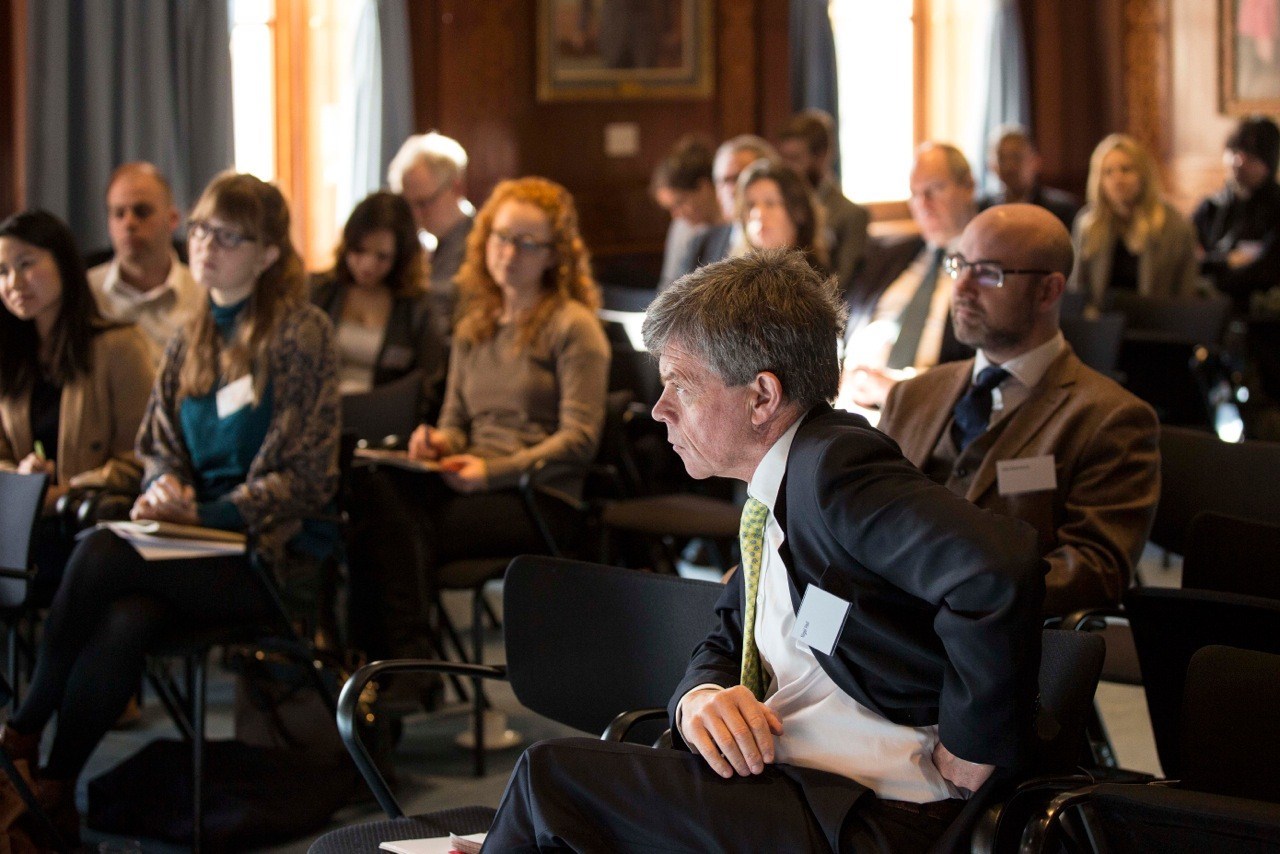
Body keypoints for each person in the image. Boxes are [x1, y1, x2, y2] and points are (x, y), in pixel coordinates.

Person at [481, 249, 1044, 853]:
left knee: (550, 782)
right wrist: (701, 700)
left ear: (761, 397)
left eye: (680, 385)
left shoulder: (832, 469)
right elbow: (728, 634)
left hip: (874, 809)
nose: (660, 410)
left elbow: (997, 567)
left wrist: (970, 749)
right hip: (792, 786)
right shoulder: (772, 490)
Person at [0, 173, 340, 845]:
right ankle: (54, 792)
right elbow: (157, 444)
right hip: (184, 551)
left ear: (269, 253)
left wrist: (205, 516)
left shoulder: (300, 333)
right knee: (125, 618)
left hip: (266, 554)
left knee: (101, 547)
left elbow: (306, 477)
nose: (206, 246)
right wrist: (163, 490)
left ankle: (18, 733)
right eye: (203, 230)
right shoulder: (191, 334)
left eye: (229, 236)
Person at [350, 177, 609, 670]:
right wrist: (437, 441)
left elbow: (580, 440)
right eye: (501, 237)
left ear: (553, 255)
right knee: (371, 497)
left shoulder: (573, 326)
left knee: (392, 532)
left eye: (526, 243)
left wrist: (492, 473)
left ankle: (400, 667)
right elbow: (455, 421)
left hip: (540, 496)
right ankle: (390, 667)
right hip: (467, 478)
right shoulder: (476, 322)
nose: (509, 252)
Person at [878, 204, 1159, 616]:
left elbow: (1095, 571)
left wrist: (960, 595)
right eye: (959, 265)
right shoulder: (912, 395)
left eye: (989, 272)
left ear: (1048, 290)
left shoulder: (1111, 419)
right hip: (875, 634)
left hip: (992, 647)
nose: (962, 288)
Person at [0, 209, 155, 588]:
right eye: (2, 271)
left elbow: (143, 459)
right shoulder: (8, 357)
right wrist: (21, 480)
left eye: (26, 264)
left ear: (65, 265)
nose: (14, 281)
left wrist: (62, 491)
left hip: (91, 526)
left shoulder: (120, 346)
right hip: (21, 525)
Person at [838, 142, 978, 413]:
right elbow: (842, 324)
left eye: (935, 189)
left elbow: (980, 370)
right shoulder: (888, 255)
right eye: (915, 194)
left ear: (968, 186)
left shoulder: (988, 266)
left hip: (930, 410)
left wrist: (898, 390)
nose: (923, 204)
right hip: (852, 401)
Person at [311, 191, 445, 423]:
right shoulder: (319, 292)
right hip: (320, 419)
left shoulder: (418, 309)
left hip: (386, 428)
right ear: (346, 245)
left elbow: (428, 386)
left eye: (382, 257)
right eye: (359, 251)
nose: (367, 265)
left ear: (400, 258)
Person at [86, 162, 201, 364]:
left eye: (142, 212)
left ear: (172, 219)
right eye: (119, 213)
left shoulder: (203, 294)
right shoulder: (84, 293)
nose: (129, 223)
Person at [1068, 133, 1200, 309]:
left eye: (1126, 169)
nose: (1118, 179)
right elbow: (1077, 289)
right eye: (1108, 172)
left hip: (1156, 324)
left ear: (1143, 174)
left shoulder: (1174, 224)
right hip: (1103, 325)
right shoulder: (1088, 224)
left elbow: (1186, 292)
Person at [387, 131, 475, 342]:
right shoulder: (427, 248)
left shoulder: (481, 246)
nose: (416, 216)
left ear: (457, 188)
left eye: (424, 203)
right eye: (410, 206)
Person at [1193, 114, 1280, 312]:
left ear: (1269, 161)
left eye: (1250, 155)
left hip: (1259, 314)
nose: (1238, 161)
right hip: (1208, 308)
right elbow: (1187, 258)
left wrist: (1210, 263)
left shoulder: (1276, 209)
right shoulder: (1211, 206)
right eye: (1234, 151)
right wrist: (1226, 261)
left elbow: (1265, 272)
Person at [777, 108, 870, 288]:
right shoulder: (777, 208)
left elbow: (840, 285)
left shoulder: (851, 215)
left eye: (795, 158)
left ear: (822, 155)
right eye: (784, 159)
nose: (787, 169)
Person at [676, 135, 777, 276]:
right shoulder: (702, 244)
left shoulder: (786, 242)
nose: (730, 190)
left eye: (738, 178)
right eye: (722, 181)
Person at [651, 136, 723, 290]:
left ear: (704, 187)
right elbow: (669, 285)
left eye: (680, 203)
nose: (676, 215)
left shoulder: (738, 228)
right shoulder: (682, 226)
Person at [976, 126, 1081, 229]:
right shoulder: (981, 209)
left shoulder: (1061, 210)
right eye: (1002, 158)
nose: (1009, 166)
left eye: (1016, 157)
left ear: (1035, 161)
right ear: (990, 164)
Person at [738, 159, 828, 270]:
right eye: (751, 205)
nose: (758, 214)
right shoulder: (735, 276)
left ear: (799, 211)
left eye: (770, 203)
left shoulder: (819, 281)